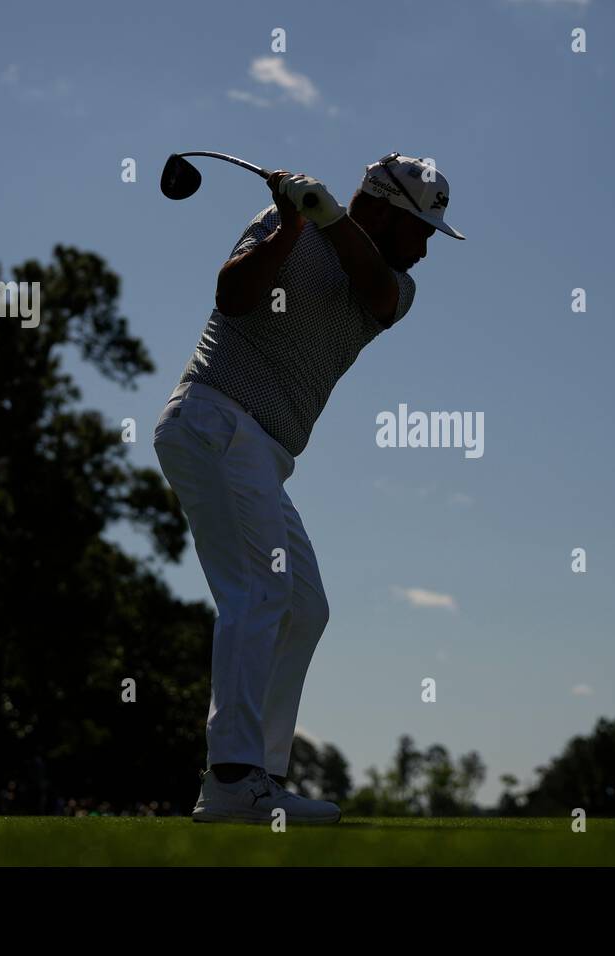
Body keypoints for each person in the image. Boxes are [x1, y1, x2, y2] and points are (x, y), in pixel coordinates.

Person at [153, 153, 465, 824]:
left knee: (303, 607)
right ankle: (233, 780)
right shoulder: (280, 225)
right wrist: (295, 224)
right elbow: (232, 296)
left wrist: (327, 215)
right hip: (215, 418)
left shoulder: (393, 286)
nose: (426, 250)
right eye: (419, 229)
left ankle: (259, 778)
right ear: (380, 211)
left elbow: (377, 289)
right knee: (261, 591)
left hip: (260, 450)